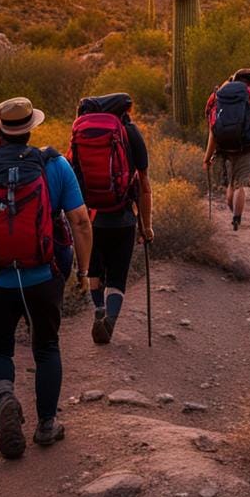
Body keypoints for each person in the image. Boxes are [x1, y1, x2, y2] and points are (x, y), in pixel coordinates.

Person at [0, 97, 93, 460]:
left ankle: (5, 398)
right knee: (46, 347)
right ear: (31, 129)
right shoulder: (54, 164)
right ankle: (46, 426)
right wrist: (83, 271)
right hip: (43, 277)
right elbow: (80, 221)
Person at [68, 93, 153, 345]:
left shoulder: (80, 134)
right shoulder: (129, 132)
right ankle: (111, 320)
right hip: (122, 217)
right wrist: (146, 226)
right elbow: (144, 184)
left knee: (94, 271)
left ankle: (98, 310)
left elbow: (72, 176)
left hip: (89, 218)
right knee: (116, 275)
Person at [204, 68, 250, 231]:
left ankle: (234, 212)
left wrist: (208, 157)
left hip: (224, 147)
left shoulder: (217, 96)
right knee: (241, 184)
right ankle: (237, 218)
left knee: (231, 183)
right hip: (248, 147)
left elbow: (212, 127)